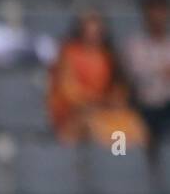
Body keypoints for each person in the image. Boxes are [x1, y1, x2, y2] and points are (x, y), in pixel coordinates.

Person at [48, 11, 147, 146]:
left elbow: (118, 88)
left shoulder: (109, 55)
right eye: (89, 31)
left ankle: (121, 160)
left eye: (97, 31)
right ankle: (100, 163)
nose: (93, 35)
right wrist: (93, 102)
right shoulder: (68, 53)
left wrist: (114, 101)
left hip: (104, 110)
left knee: (134, 127)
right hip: (75, 113)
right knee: (95, 128)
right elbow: (67, 90)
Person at [123, 0, 170, 162]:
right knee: (119, 142)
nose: (157, 16)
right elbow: (136, 73)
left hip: (167, 107)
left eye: (161, 11)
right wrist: (161, 70)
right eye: (153, 11)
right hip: (141, 108)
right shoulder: (135, 44)